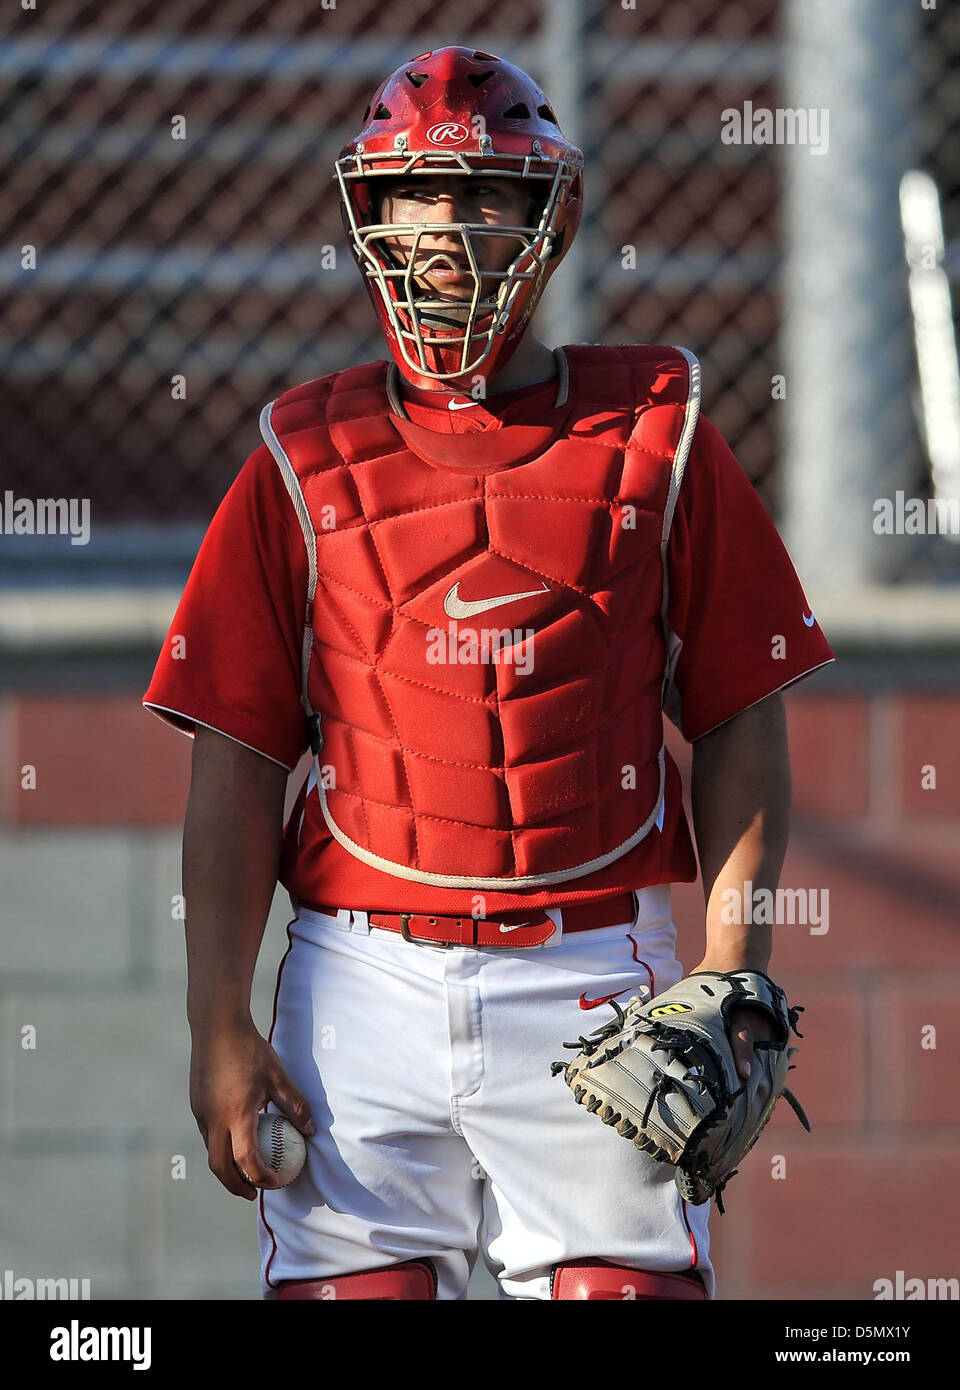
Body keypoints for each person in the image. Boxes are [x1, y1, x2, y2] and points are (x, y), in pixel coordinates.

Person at [143, 45, 836, 1301]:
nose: (449, 229)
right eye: (416, 195)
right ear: (369, 217)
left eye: (485, 196)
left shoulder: (657, 438)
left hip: (590, 978)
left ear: (550, 220)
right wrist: (217, 1022)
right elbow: (235, 766)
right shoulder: (303, 458)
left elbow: (741, 713)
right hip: (358, 977)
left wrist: (735, 967)